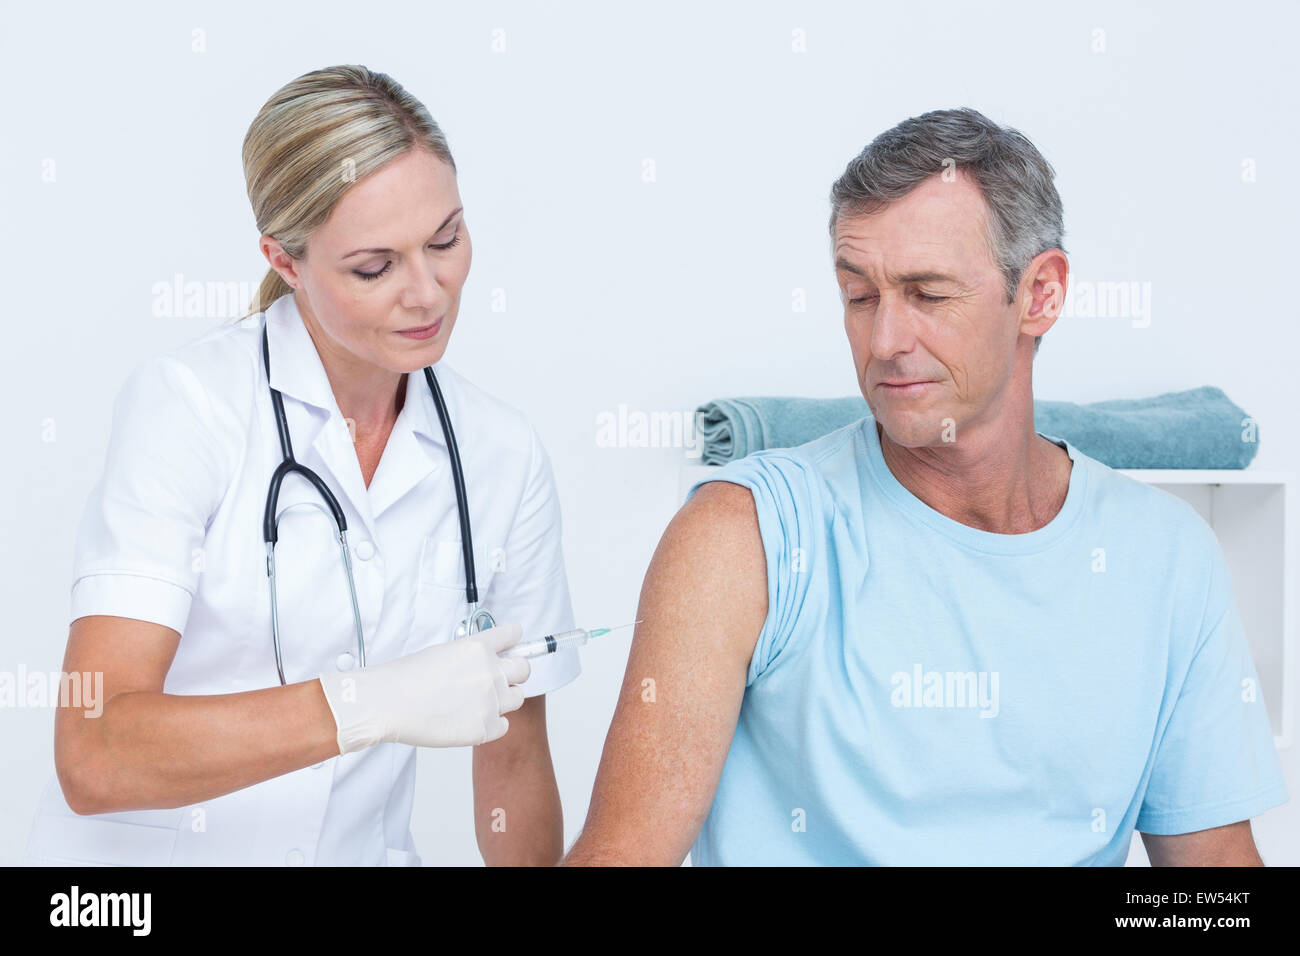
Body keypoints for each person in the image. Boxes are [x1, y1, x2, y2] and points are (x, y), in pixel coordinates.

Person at [562, 107, 1288, 866]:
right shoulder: (746, 538)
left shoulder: (1165, 560)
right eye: (860, 296)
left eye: (929, 295)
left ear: (1039, 294)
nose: (884, 343)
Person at [24, 64, 579, 866]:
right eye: (373, 267)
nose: (428, 292)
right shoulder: (189, 407)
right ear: (284, 261)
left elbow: (514, 749)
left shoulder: (500, 454)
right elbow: (96, 751)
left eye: (446, 240)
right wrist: (373, 703)